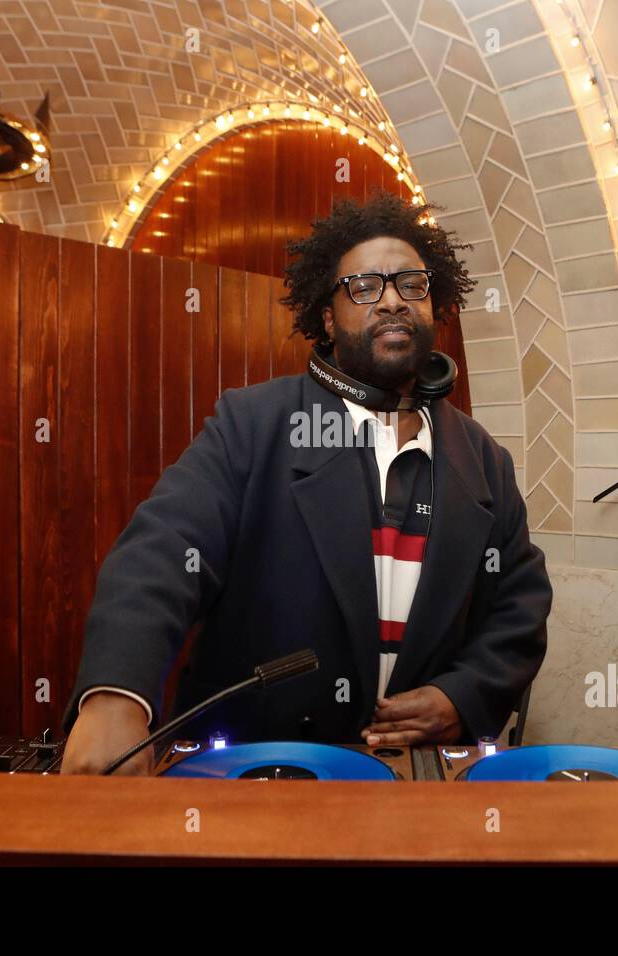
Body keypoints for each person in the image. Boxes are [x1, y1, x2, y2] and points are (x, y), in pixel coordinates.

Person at [60, 191, 552, 774]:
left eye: (411, 284)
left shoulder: (483, 457)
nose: (391, 299)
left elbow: (519, 606)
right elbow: (162, 553)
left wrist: (462, 696)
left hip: (410, 784)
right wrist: (116, 695)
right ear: (327, 317)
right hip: (256, 773)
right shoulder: (252, 424)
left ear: (433, 305)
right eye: (365, 287)